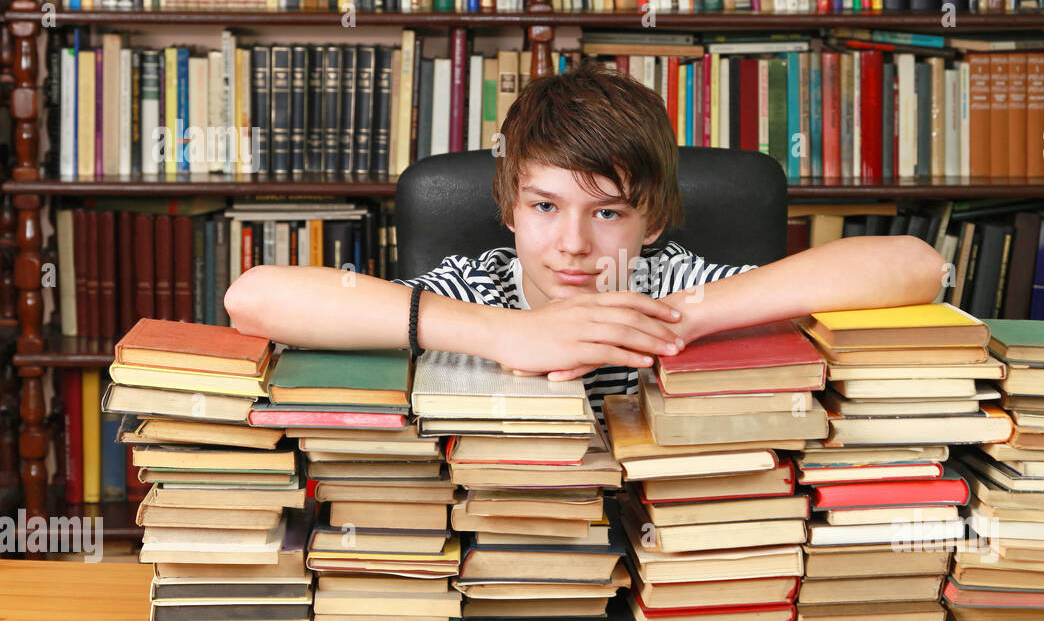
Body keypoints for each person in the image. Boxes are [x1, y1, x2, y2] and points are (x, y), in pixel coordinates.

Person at [224, 57, 946, 421]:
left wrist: (684, 318)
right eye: (545, 206)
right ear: (508, 206)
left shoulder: (673, 282)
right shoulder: (476, 289)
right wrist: (503, 335)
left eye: (607, 214)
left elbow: (916, 266)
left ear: (653, 221)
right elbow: (253, 298)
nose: (572, 244)